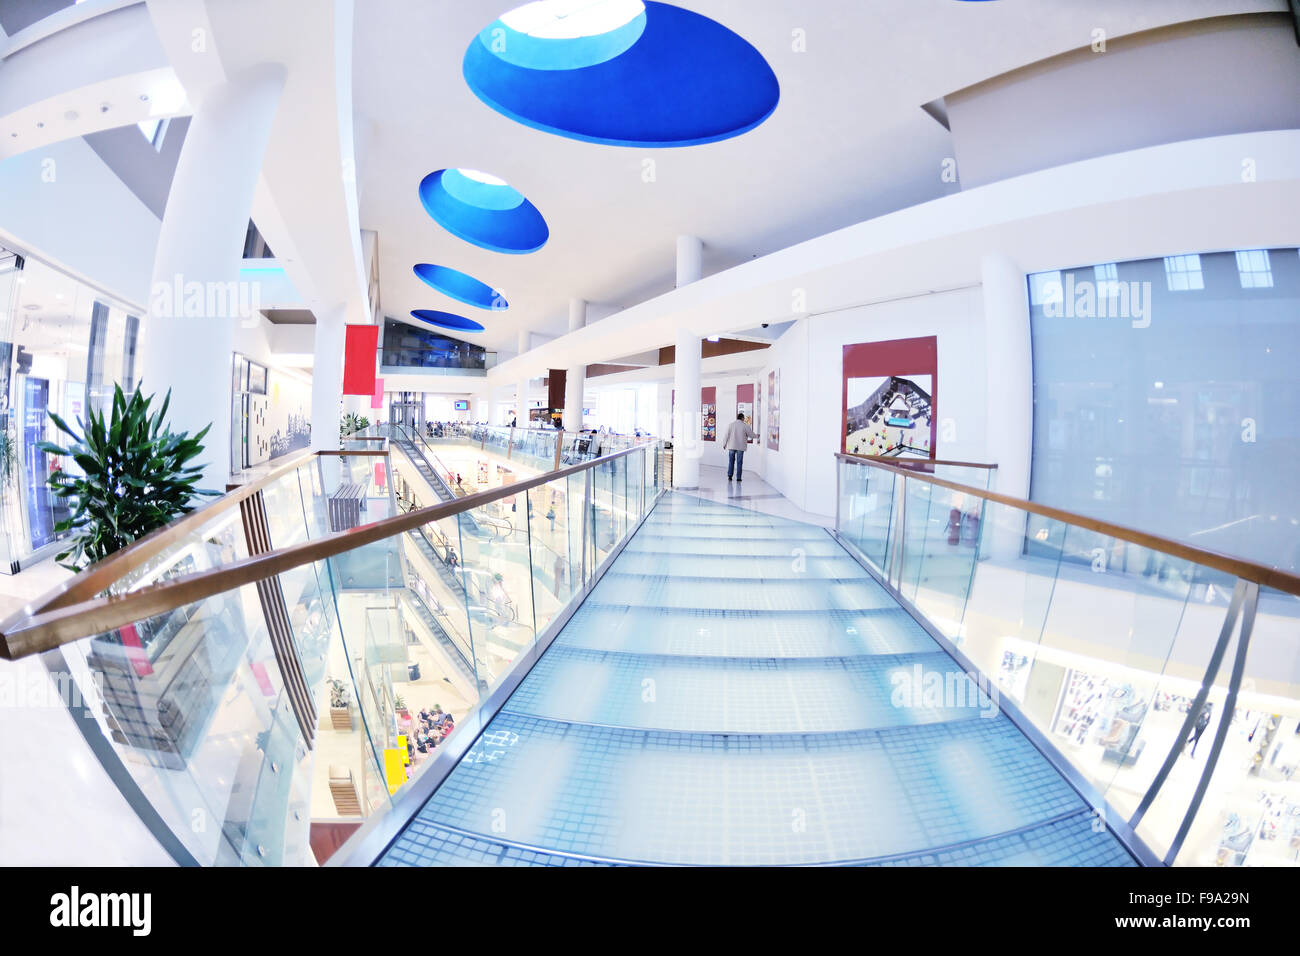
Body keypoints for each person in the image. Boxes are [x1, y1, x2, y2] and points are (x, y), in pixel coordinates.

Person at [721, 411, 756, 481]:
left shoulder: (730, 425)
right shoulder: (745, 425)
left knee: (731, 461)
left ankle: (730, 475)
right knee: (739, 462)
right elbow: (751, 435)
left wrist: (724, 444)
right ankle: (738, 477)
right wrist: (757, 436)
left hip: (731, 446)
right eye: (744, 418)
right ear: (742, 418)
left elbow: (726, 435)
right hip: (740, 447)